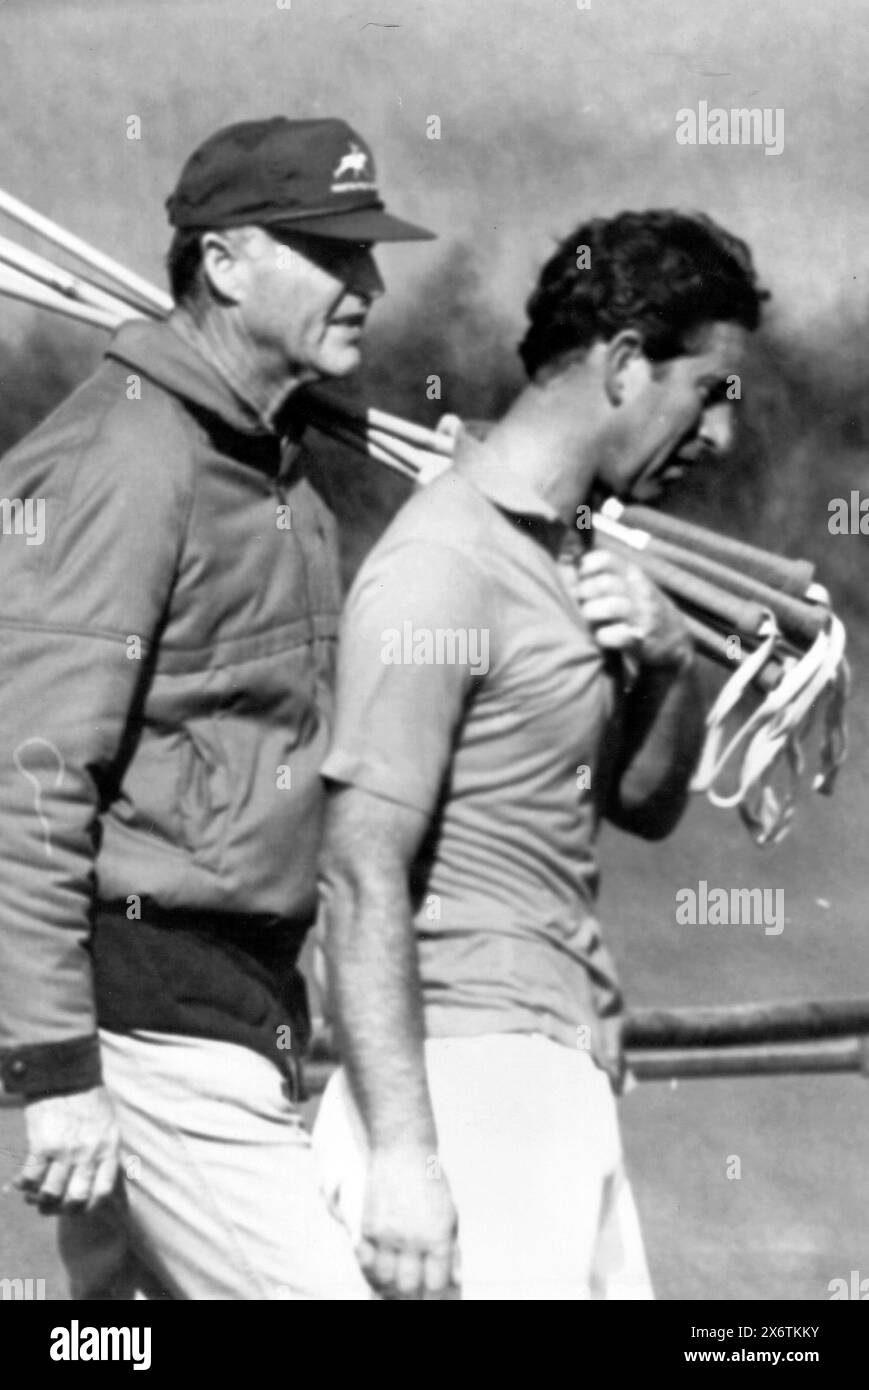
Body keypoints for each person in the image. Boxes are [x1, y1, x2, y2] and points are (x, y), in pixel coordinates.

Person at [0, 115, 434, 1300]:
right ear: (225, 262)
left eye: (366, 251)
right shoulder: (127, 459)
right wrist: (58, 1070)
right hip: (153, 1016)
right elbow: (29, 776)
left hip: (241, 1006)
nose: (369, 282)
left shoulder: (271, 464)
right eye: (332, 252)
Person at [312, 210, 769, 1300]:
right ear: (623, 363)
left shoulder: (568, 550)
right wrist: (407, 1159)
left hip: (554, 1076)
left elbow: (640, 805)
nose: (719, 435)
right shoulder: (443, 562)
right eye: (706, 392)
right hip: (470, 1093)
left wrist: (667, 665)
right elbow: (359, 867)